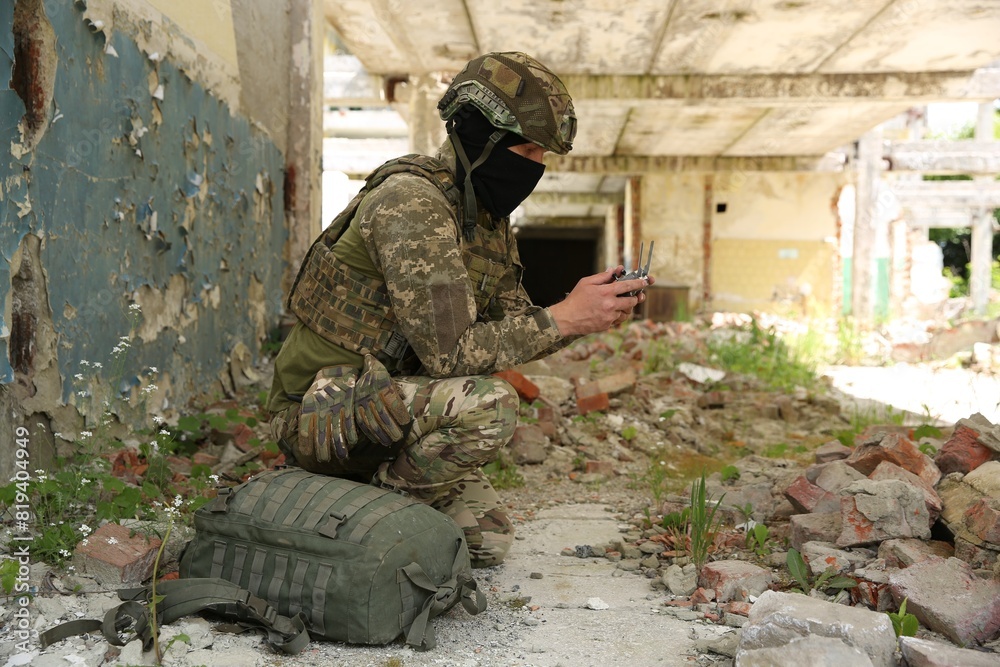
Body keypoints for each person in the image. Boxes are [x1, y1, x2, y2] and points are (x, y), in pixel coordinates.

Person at [268, 51, 653, 567]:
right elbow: (453, 357)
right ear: (481, 138)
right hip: (323, 410)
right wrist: (565, 316)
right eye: (527, 150)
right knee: (492, 404)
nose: (535, 168)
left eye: (543, 156)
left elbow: (511, 329)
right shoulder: (412, 204)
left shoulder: (484, 218)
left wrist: (585, 311)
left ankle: (350, 498)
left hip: (385, 405)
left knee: (486, 541)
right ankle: (351, 525)